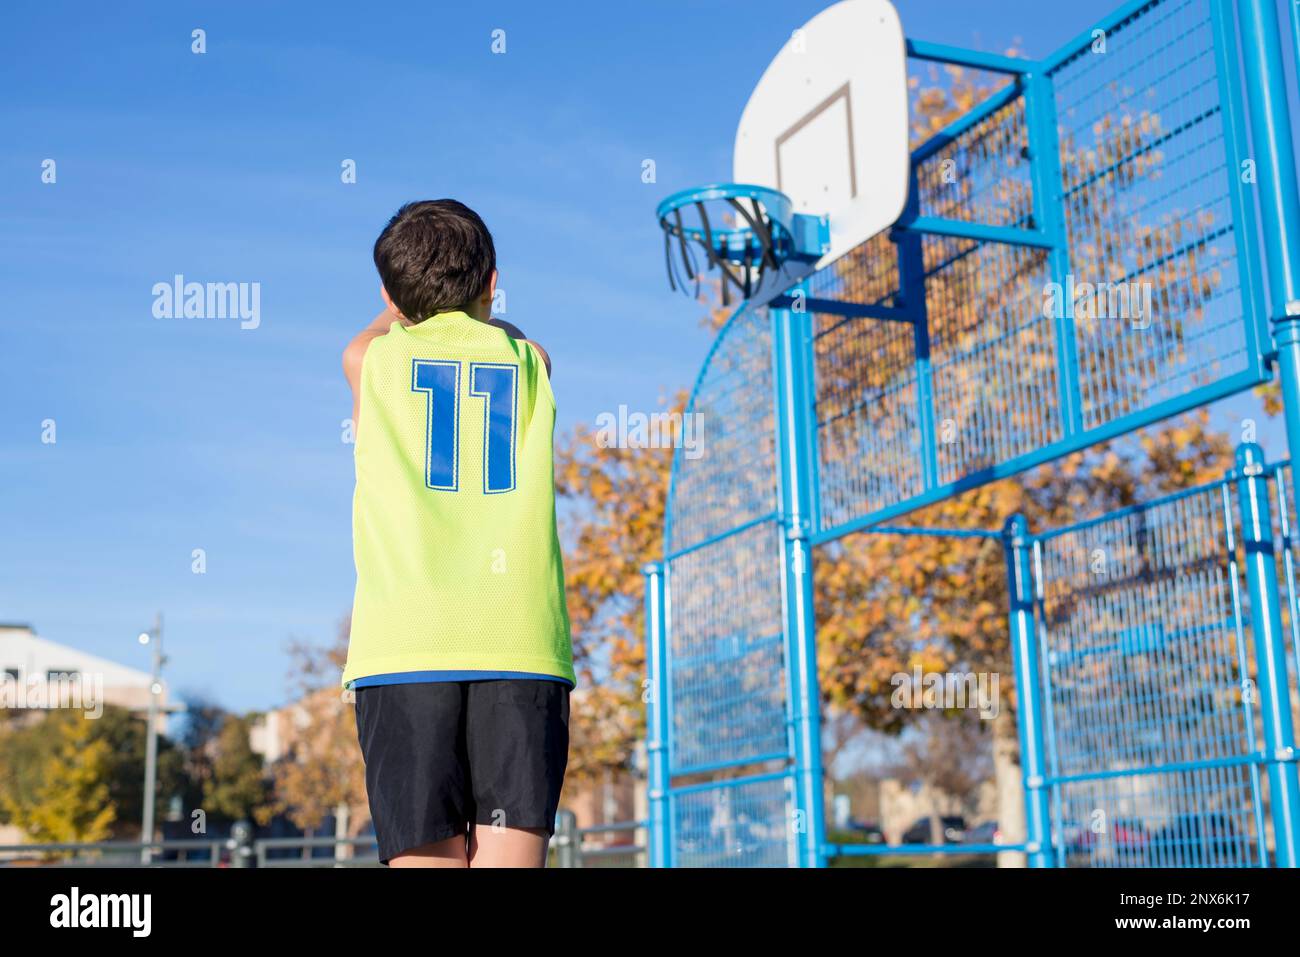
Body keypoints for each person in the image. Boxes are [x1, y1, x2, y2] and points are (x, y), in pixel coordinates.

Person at [341, 199, 573, 868]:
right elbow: (522, 338)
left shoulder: (372, 363)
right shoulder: (530, 362)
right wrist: (474, 303)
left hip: (405, 648)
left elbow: (372, 335)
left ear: (389, 294)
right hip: (521, 645)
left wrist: (408, 299)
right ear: (492, 284)